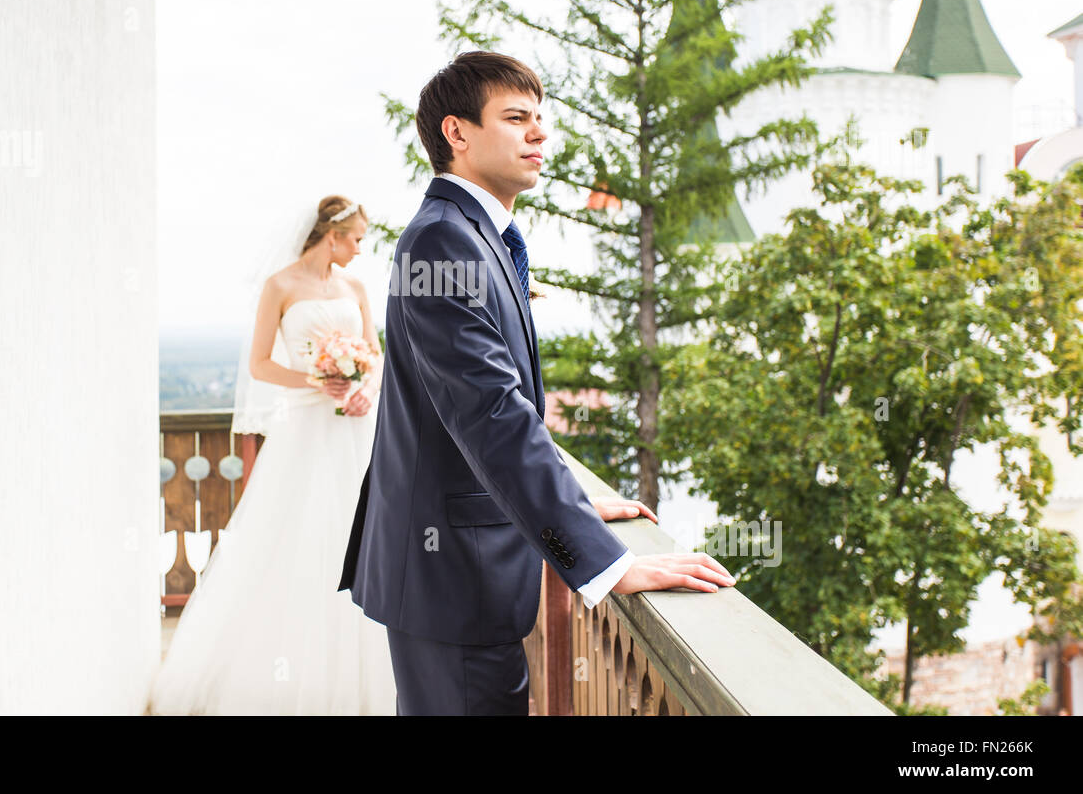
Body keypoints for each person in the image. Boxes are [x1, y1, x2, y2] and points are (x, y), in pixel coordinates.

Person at [339, 52, 736, 715]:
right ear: (456, 134)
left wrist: (572, 498)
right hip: (454, 578)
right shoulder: (444, 243)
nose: (539, 134)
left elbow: (499, 405)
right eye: (516, 117)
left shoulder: (478, 237)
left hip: (460, 571)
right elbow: (490, 414)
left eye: (540, 120)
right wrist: (610, 564)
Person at [149, 195, 396, 715]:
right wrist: (318, 378)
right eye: (356, 238)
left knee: (364, 534)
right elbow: (261, 365)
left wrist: (360, 387)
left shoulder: (354, 287)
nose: (360, 248)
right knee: (299, 537)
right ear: (331, 234)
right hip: (304, 427)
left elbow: (373, 351)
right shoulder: (279, 286)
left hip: (355, 425)